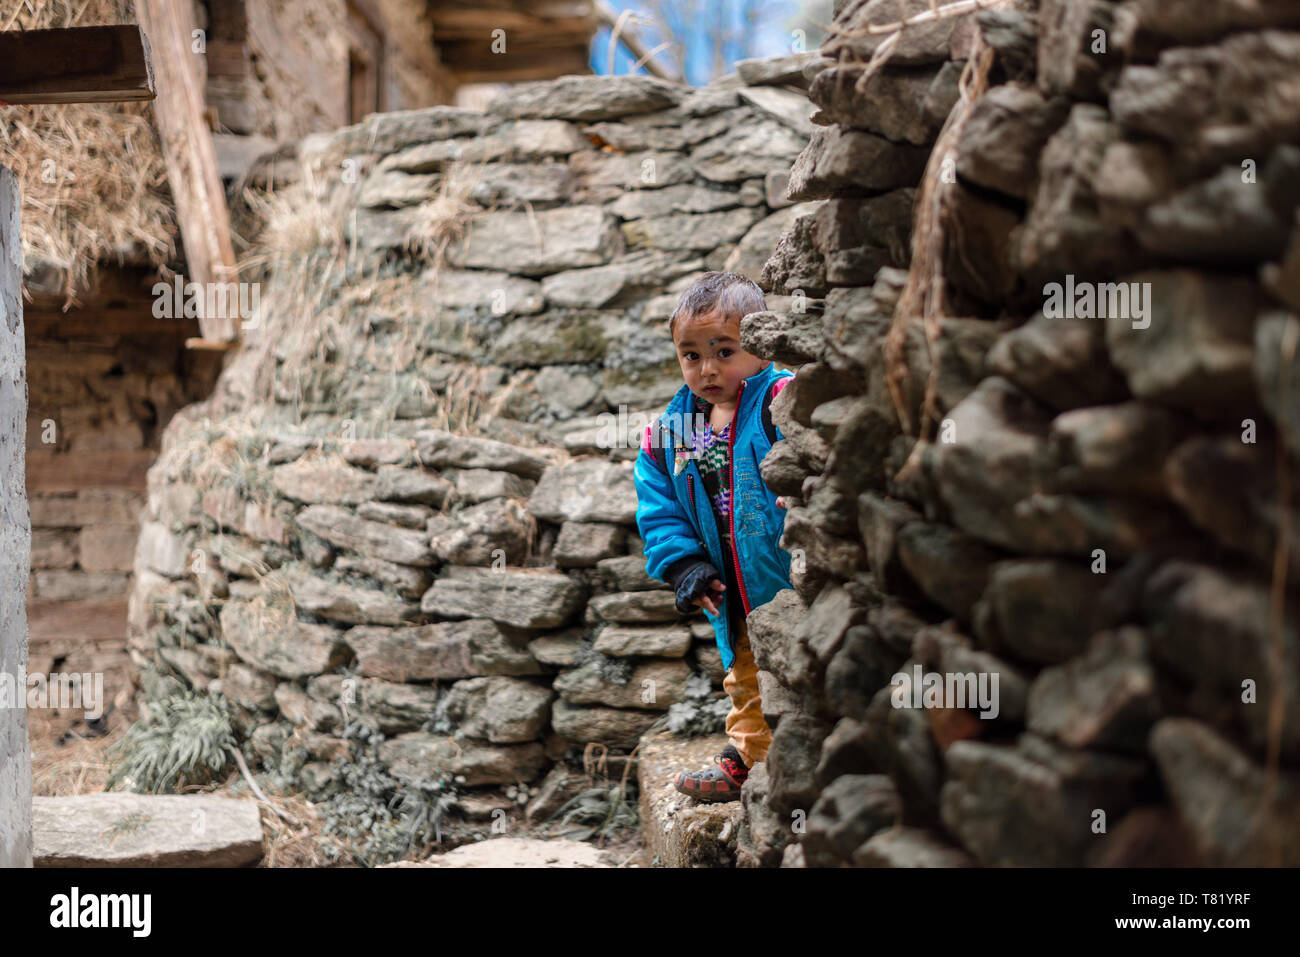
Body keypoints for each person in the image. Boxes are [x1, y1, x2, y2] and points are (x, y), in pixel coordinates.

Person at [633, 271, 795, 802]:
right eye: (691, 355)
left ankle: (798, 758)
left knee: (801, 669)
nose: (706, 369)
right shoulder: (672, 432)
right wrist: (683, 565)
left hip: (790, 577)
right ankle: (750, 759)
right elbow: (658, 508)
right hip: (730, 590)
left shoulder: (781, 400)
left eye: (724, 351)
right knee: (746, 675)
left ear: (761, 341)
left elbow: (817, 457)